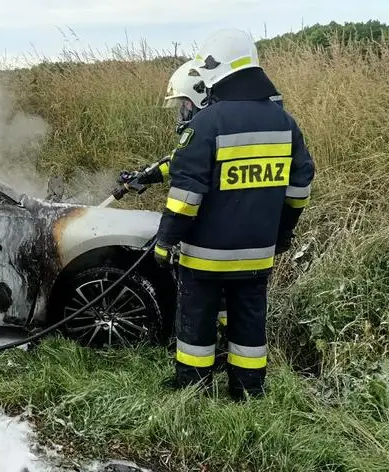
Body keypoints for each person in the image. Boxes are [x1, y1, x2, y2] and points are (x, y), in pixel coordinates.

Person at [152, 28, 315, 400]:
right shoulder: (285, 123)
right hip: (257, 253)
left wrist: (165, 240)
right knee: (249, 322)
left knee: (197, 321)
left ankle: (193, 388)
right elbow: (299, 187)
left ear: (215, 69)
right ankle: (248, 391)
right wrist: (282, 233)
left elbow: (186, 197)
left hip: (206, 256)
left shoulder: (206, 124)